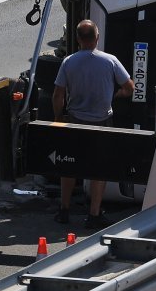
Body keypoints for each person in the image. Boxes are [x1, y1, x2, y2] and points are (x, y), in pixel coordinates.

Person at [52, 19, 133, 230]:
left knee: (68, 164)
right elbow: (129, 87)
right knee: (99, 168)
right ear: (97, 38)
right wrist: (114, 95)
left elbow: (58, 94)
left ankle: (64, 210)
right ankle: (94, 214)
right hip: (102, 122)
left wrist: (58, 118)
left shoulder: (68, 62)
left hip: (75, 121)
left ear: (78, 39)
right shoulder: (110, 61)